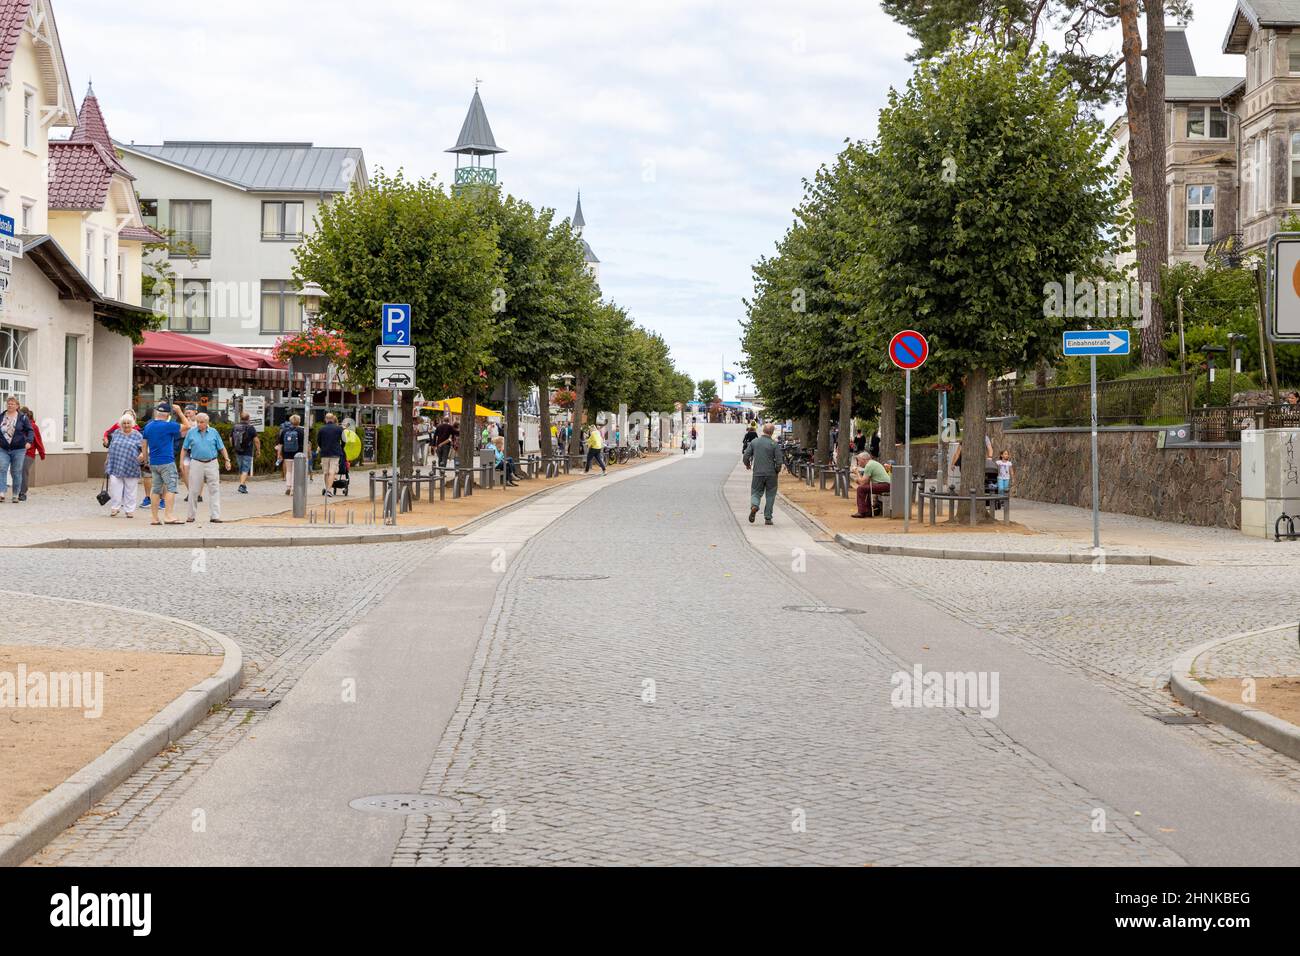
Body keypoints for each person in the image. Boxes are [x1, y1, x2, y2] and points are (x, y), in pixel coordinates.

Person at [140, 401, 190, 524]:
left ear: (156, 413)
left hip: (154, 462)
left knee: (156, 490)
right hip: (167, 461)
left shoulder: (149, 426)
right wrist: (179, 412)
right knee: (171, 488)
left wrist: (146, 460)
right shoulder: (169, 426)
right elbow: (187, 426)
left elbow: (144, 444)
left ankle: (154, 518)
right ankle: (168, 516)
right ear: (168, 415)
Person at [181, 412, 229, 522]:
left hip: (211, 462)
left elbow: (221, 447)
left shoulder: (213, 432)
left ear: (207, 422)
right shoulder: (191, 432)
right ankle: (191, 516)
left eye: (201, 422)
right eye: (197, 422)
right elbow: (184, 448)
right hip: (196, 462)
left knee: (214, 489)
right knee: (193, 490)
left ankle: (215, 516)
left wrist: (227, 460)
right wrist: (181, 462)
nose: (199, 424)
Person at [742, 422, 782, 525]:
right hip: (771, 474)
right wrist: (777, 470)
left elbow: (746, 455)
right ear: (772, 432)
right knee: (770, 495)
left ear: (763, 430)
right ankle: (768, 518)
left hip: (757, 473)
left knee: (755, 492)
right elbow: (779, 461)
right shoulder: (774, 444)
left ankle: (754, 506)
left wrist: (747, 464)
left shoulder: (755, 442)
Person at [105, 413, 144, 517]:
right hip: (115, 464)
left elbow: (144, 448)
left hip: (131, 464)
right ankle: (115, 507)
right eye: (124, 423)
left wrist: (142, 454)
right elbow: (111, 447)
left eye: (128, 423)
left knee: (130, 489)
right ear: (121, 424)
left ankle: (129, 510)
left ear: (132, 424)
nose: (126, 425)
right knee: (115, 487)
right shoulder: (116, 433)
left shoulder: (137, 435)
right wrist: (107, 458)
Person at [0, 396, 33, 502]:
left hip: (18, 449)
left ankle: (15, 494)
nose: (10, 405)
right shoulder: (1, 416)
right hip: (3, 448)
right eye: (8, 403)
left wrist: (28, 441)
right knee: (2, 468)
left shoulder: (22, 417)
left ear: (17, 406)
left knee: (16, 471)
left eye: (12, 404)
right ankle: (1, 492)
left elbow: (30, 430)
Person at [850, 452, 892, 519]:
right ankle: (868, 511)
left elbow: (862, 483)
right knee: (865, 488)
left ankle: (861, 512)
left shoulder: (869, 465)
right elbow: (865, 482)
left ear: (864, 459)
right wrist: (858, 480)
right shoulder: (872, 463)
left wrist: (857, 473)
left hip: (885, 485)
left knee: (860, 489)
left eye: (859, 460)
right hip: (885, 485)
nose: (858, 463)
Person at [231, 411, 260, 494]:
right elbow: (256, 440)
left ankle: (243, 484)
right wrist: (258, 450)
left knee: (241, 468)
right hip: (247, 451)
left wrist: (234, 447)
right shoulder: (250, 428)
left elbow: (230, 438)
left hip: (238, 451)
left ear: (241, 418)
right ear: (248, 419)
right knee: (245, 469)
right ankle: (241, 485)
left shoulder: (235, 427)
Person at [276, 414, 306, 495]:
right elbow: (306, 444)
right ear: (299, 421)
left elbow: (280, 444)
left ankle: (288, 486)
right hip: (298, 453)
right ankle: (293, 489)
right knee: (295, 471)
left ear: (290, 421)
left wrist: (279, 454)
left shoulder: (285, 431)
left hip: (287, 453)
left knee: (288, 471)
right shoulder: (302, 431)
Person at [19, 406, 44, 500]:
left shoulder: (33, 426)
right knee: (16, 471)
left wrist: (42, 453)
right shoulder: (19, 425)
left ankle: (22, 492)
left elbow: (38, 440)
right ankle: (18, 490)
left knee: (23, 470)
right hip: (18, 452)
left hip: (29, 454)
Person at [317, 413, 344, 496]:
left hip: (324, 453)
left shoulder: (321, 429)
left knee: (326, 472)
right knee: (332, 472)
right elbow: (344, 440)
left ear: (325, 419)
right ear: (333, 419)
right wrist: (341, 447)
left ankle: (326, 488)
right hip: (335, 453)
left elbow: (319, 441)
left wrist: (323, 447)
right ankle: (329, 490)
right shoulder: (339, 429)